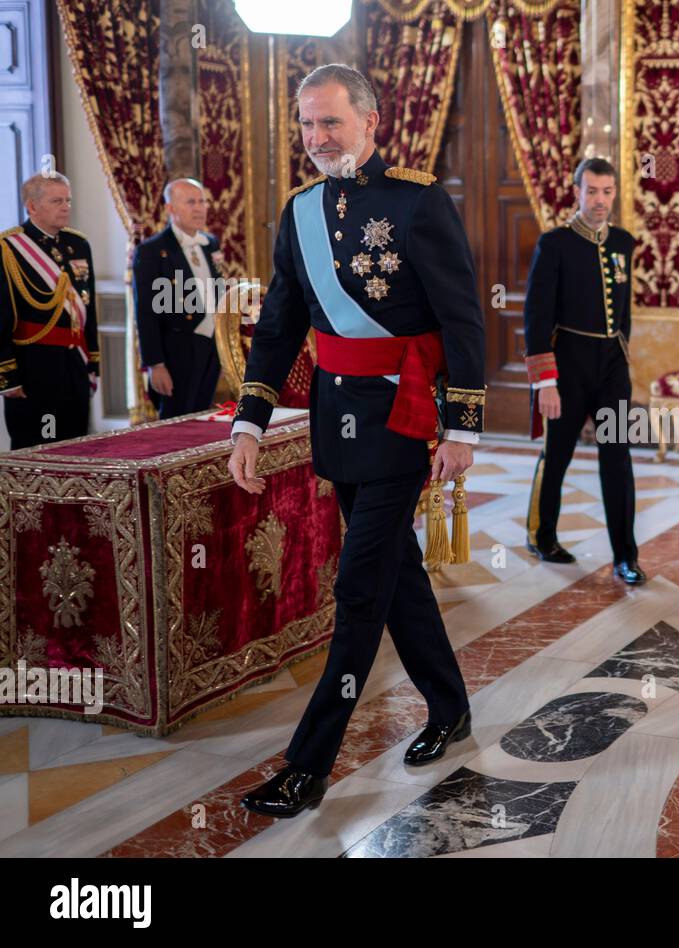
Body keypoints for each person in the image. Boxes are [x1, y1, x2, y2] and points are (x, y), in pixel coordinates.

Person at [227, 63, 486, 817]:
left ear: (371, 122)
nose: (317, 138)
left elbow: (464, 319)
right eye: (307, 124)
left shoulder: (418, 202)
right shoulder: (299, 212)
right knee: (398, 577)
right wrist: (249, 421)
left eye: (331, 122)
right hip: (336, 424)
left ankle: (308, 767)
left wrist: (462, 426)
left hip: (403, 421)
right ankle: (450, 705)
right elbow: (278, 326)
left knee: (359, 588)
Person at [522, 157, 645, 585]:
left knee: (618, 458)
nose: (600, 200)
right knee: (557, 455)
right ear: (577, 191)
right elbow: (535, 318)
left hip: (611, 367)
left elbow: (623, 312)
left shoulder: (624, 243)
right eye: (592, 191)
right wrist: (546, 382)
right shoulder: (554, 244)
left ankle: (625, 557)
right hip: (567, 365)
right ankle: (543, 535)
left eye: (607, 192)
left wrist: (622, 356)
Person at [0, 172, 100, 448]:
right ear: (32, 207)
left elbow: (88, 311)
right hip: (34, 369)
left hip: (74, 366)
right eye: (57, 201)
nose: (66, 206)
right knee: (39, 451)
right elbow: (1, 318)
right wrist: (8, 377)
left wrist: (92, 363)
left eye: (67, 199)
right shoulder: (8, 249)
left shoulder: (78, 244)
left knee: (76, 444)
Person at [132, 178, 225, 417]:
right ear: (170, 208)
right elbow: (145, 313)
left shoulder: (210, 243)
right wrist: (156, 364)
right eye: (191, 202)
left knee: (202, 415)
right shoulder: (152, 251)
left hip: (210, 343)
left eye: (202, 201)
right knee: (176, 421)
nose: (199, 208)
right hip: (176, 349)